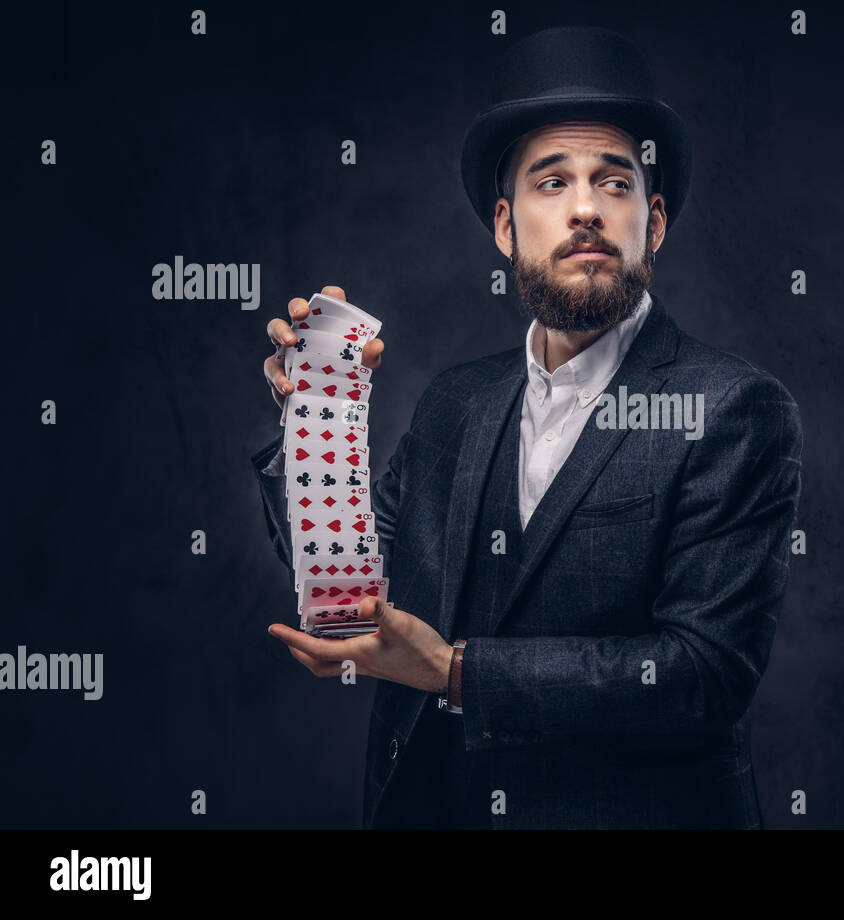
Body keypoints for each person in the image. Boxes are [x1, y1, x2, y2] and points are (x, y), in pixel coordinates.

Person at [251, 25, 803, 829]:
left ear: (653, 222)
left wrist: (455, 672)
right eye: (552, 182)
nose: (585, 208)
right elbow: (357, 592)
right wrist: (315, 424)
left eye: (614, 182)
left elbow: (703, 673)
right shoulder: (455, 402)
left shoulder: (735, 408)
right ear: (506, 228)